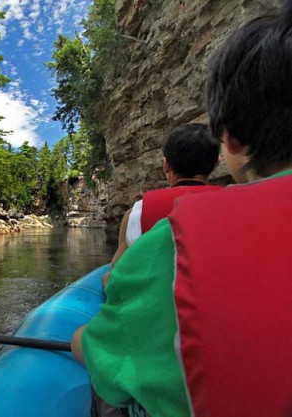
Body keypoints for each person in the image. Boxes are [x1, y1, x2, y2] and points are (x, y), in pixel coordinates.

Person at [72, 1, 292, 416]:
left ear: (231, 142)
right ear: (212, 163)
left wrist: (80, 337)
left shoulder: (166, 237)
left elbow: (113, 282)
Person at [104, 123, 221, 287]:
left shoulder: (138, 212)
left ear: (165, 165)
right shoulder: (238, 204)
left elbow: (116, 276)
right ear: (216, 163)